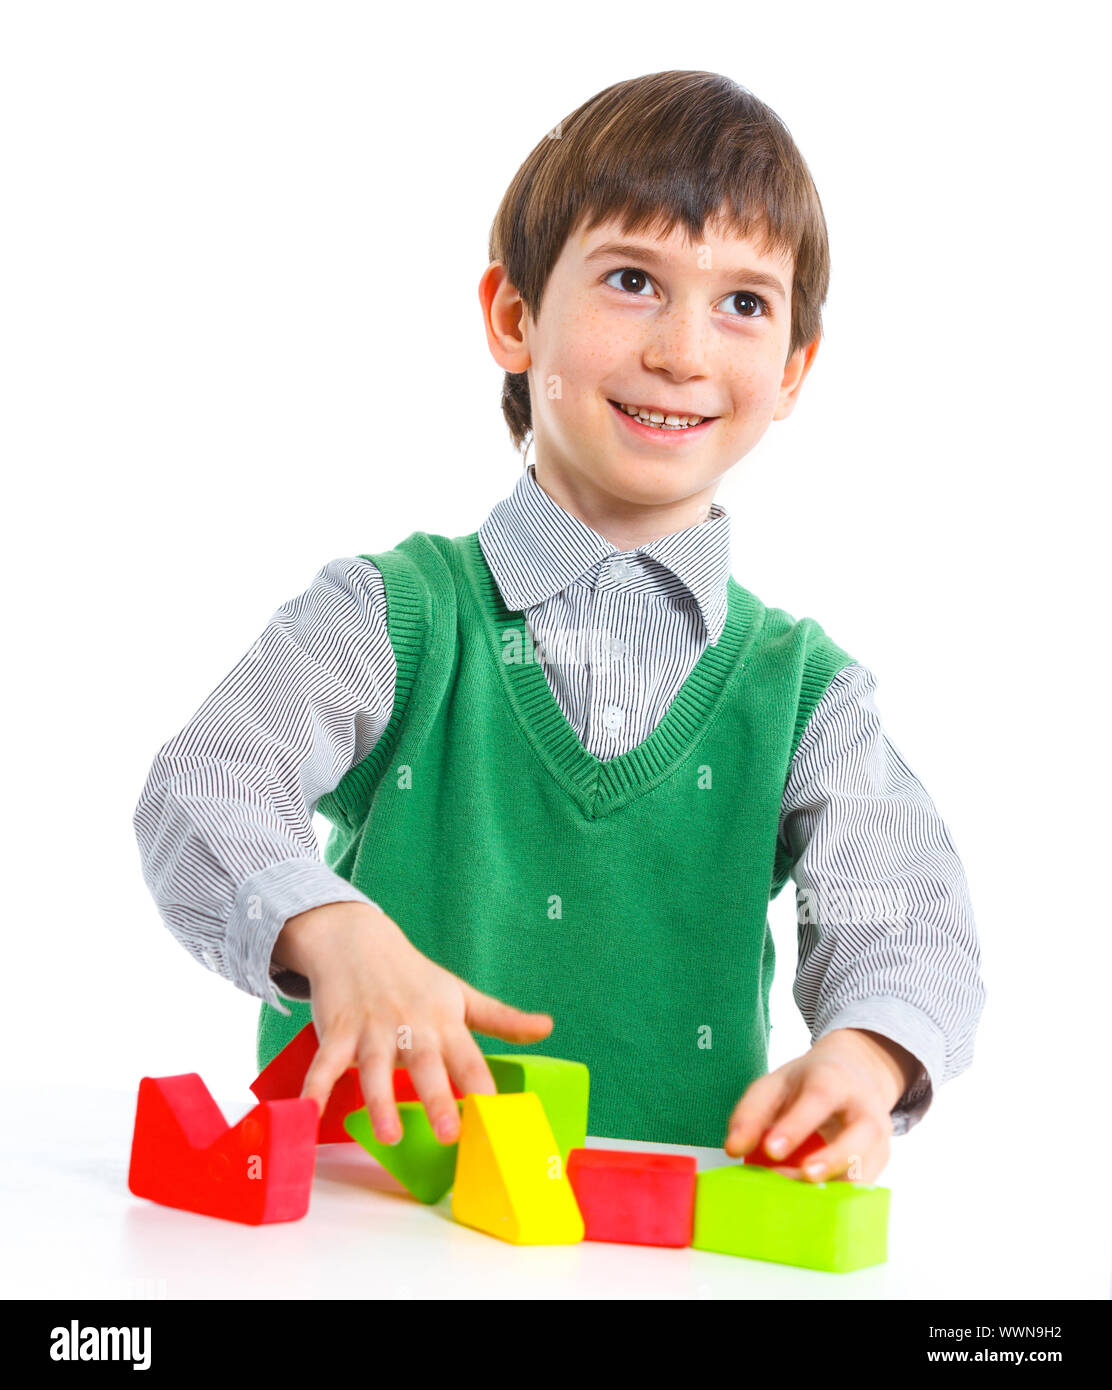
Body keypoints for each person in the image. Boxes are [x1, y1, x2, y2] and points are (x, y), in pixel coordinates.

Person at [134, 70, 986, 1182]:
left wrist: (866, 1058)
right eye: (632, 280)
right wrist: (329, 934)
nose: (682, 349)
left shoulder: (806, 693)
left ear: (790, 373)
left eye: (742, 302)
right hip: (373, 1232)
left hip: (658, 1250)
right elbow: (204, 782)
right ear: (513, 315)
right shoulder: (391, 613)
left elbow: (905, 910)